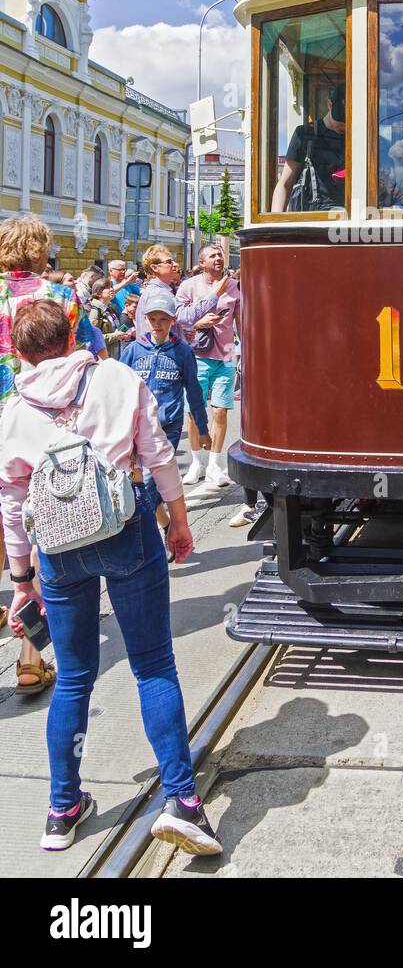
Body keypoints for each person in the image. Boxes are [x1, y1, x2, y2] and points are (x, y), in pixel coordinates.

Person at [0, 299, 221, 856]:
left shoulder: (12, 410)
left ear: (18, 352)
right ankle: (182, 801)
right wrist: (179, 518)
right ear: (72, 332)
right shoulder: (117, 377)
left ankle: (61, 809)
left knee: (74, 678)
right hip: (126, 532)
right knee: (152, 666)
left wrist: (21, 579)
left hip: (57, 552)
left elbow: (13, 501)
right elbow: (159, 454)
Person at [0, 217, 104, 693]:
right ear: (40, 250)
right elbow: (77, 356)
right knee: (40, 521)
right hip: (40, 418)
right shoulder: (62, 296)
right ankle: (30, 654)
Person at [121, 287, 211, 526]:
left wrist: (202, 428)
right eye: (152, 319)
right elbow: (118, 390)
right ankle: (166, 525)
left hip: (167, 426)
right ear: (145, 320)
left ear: (173, 321)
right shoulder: (133, 350)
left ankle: (144, 536)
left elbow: (194, 392)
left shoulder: (182, 352)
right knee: (136, 481)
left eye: (163, 320)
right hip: (137, 426)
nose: (157, 325)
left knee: (150, 483)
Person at [175, 243, 241, 487]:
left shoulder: (233, 286)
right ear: (201, 262)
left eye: (220, 255)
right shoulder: (189, 286)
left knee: (220, 411)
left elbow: (240, 321)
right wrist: (198, 322)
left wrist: (245, 355)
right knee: (194, 412)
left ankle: (214, 463)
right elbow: (177, 317)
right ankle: (196, 462)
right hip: (196, 357)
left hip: (225, 356)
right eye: (213, 256)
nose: (218, 259)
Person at [271, 85, 346, 212]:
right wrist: (274, 224)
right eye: (341, 121)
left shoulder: (357, 138)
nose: (345, 126)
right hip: (313, 217)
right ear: (329, 104)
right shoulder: (304, 134)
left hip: (349, 215)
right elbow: (285, 184)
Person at [134, 245, 225, 344]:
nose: (175, 264)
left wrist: (181, 333)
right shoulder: (159, 293)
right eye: (169, 262)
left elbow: (171, 323)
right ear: (155, 268)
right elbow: (186, 317)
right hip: (160, 355)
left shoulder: (158, 290)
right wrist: (214, 294)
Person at [89, 278, 132, 359]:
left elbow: (115, 330)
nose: (112, 289)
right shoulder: (95, 311)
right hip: (102, 359)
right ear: (98, 292)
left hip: (114, 355)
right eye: (107, 287)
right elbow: (92, 338)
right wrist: (115, 336)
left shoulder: (111, 308)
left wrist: (122, 333)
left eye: (112, 286)